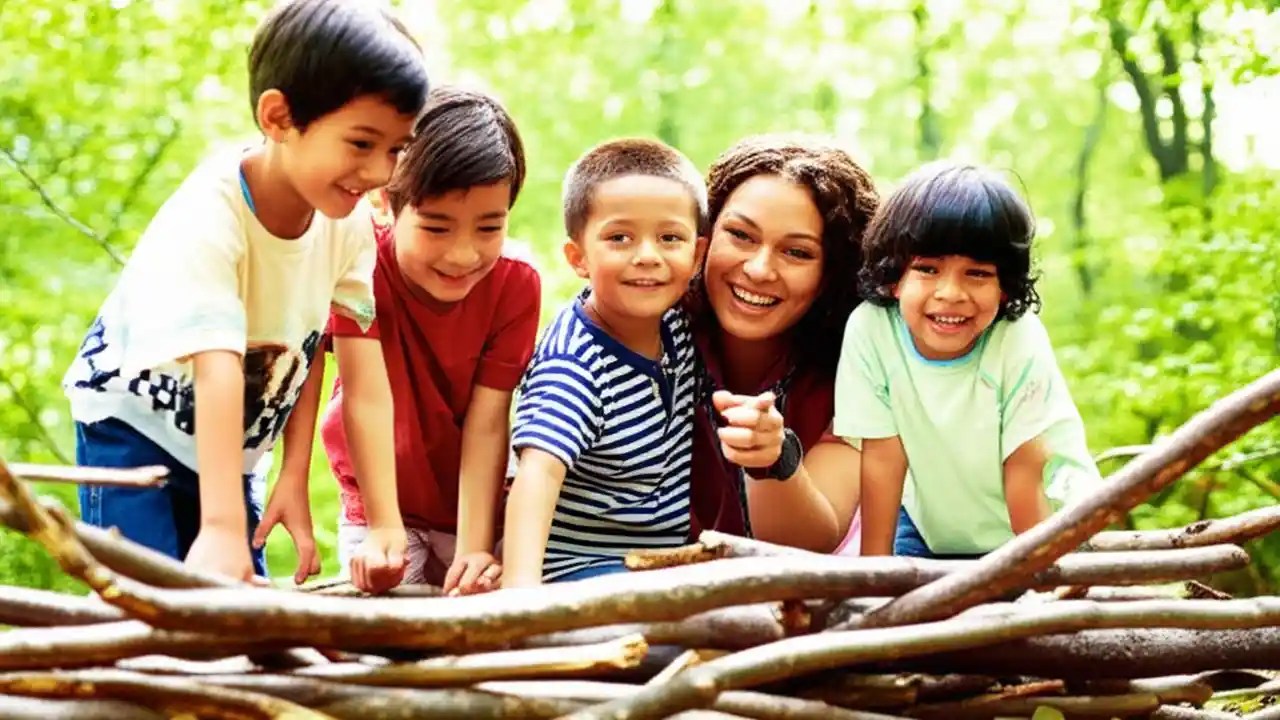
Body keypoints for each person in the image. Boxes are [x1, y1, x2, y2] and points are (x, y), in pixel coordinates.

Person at [62, 0, 428, 590]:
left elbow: (340, 367)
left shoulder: (351, 227)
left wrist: (372, 515)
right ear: (279, 117)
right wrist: (223, 527)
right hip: (132, 429)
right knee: (151, 599)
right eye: (362, 143)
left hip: (230, 447)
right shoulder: (212, 212)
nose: (382, 171)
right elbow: (218, 369)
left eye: (396, 148)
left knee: (237, 613)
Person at [262, 87, 539, 595]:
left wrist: (477, 547)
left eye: (489, 226)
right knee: (392, 635)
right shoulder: (358, 261)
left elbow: (488, 421)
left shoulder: (516, 284)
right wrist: (383, 527)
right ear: (383, 199)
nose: (463, 254)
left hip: (474, 506)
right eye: (436, 226)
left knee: (480, 634)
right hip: (378, 506)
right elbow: (357, 395)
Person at [834, 161, 1102, 558]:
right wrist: (872, 576)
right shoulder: (872, 329)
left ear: (1006, 288)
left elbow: (1026, 470)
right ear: (893, 277)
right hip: (934, 526)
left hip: (1044, 525)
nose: (950, 293)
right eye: (927, 268)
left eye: (977, 274)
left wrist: (1039, 577)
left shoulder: (1016, 337)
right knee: (896, 608)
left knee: (1027, 611)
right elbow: (883, 460)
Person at [502, 138, 707, 586]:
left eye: (670, 238)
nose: (648, 256)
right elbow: (537, 475)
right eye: (620, 238)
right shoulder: (576, 363)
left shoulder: (677, 327)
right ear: (578, 258)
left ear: (698, 255)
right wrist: (518, 599)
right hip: (582, 574)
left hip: (661, 568)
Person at [687, 136, 879, 554]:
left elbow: (812, 540)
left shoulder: (858, 369)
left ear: (832, 273)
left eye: (796, 252)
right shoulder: (647, 330)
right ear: (703, 236)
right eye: (740, 235)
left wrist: (774, 459)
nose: (759, 269)